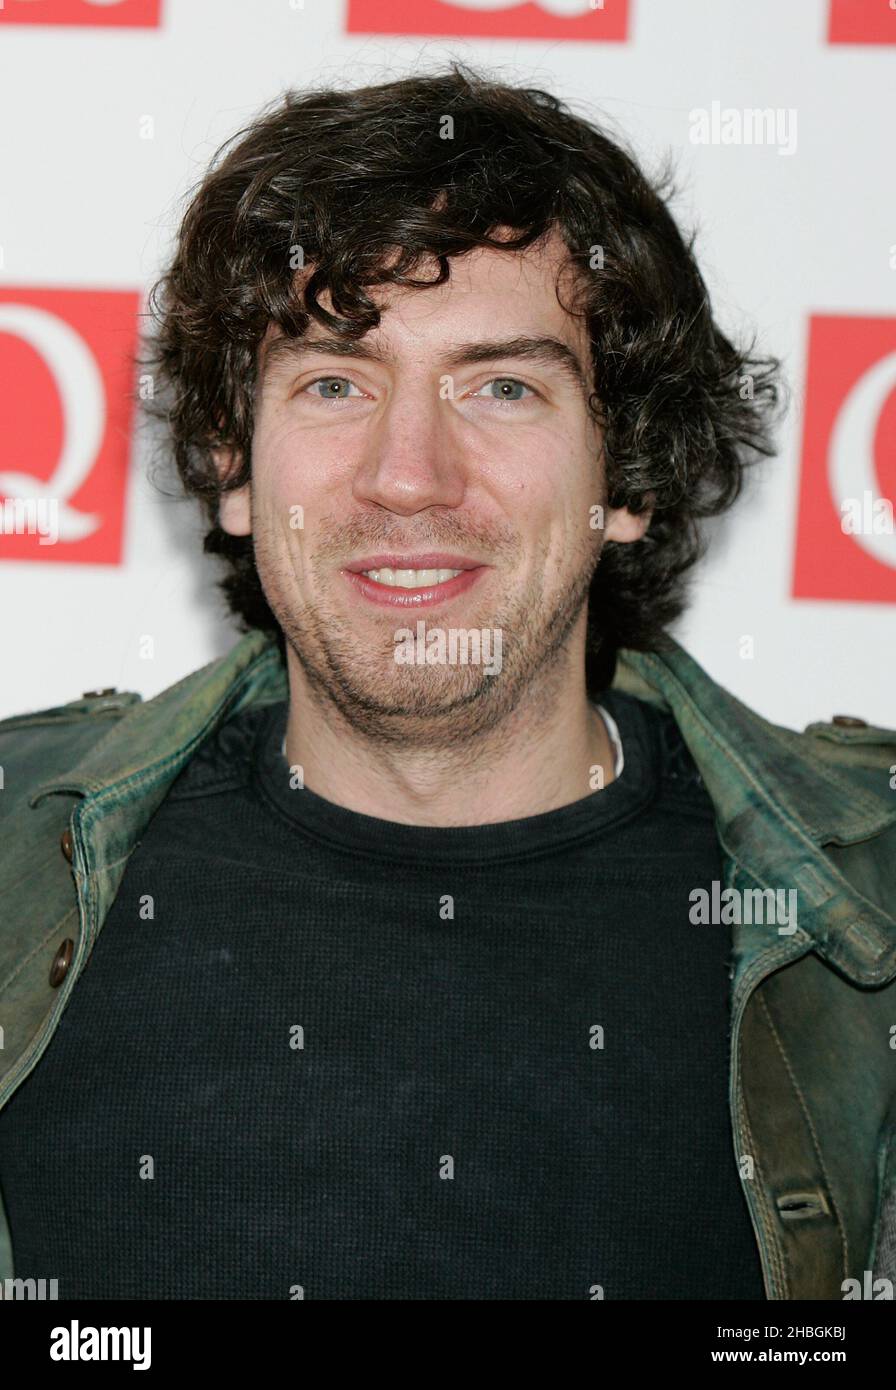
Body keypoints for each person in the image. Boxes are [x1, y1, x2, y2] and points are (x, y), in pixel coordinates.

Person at [1, 65, 894, 1302]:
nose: (408, 476)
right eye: (332, 382)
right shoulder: (11, 845)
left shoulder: (872, 894)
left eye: (501, 387)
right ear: (234, 465)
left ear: (626, 477)